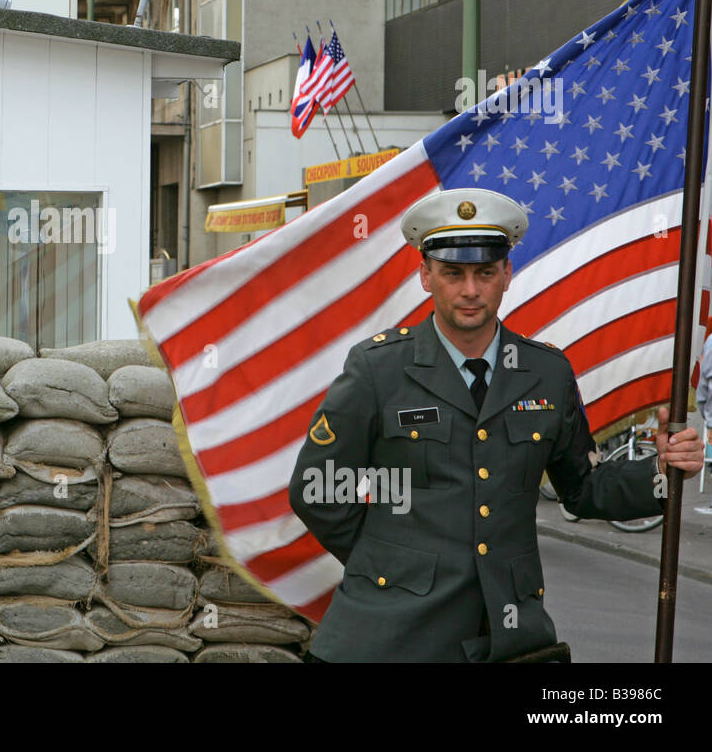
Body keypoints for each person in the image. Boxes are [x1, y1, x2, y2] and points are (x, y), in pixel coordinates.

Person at [289, 187, 704, 662]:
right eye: (452, 273)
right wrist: (388, 563)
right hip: (387, 637)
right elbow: (319, 488)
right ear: (426, 276)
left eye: (485, 272)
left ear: (507, 274)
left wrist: (663, 469)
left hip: (506, 637)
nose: (470, 290)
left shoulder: (546, 373)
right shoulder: (377, 369)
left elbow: (584, 488)